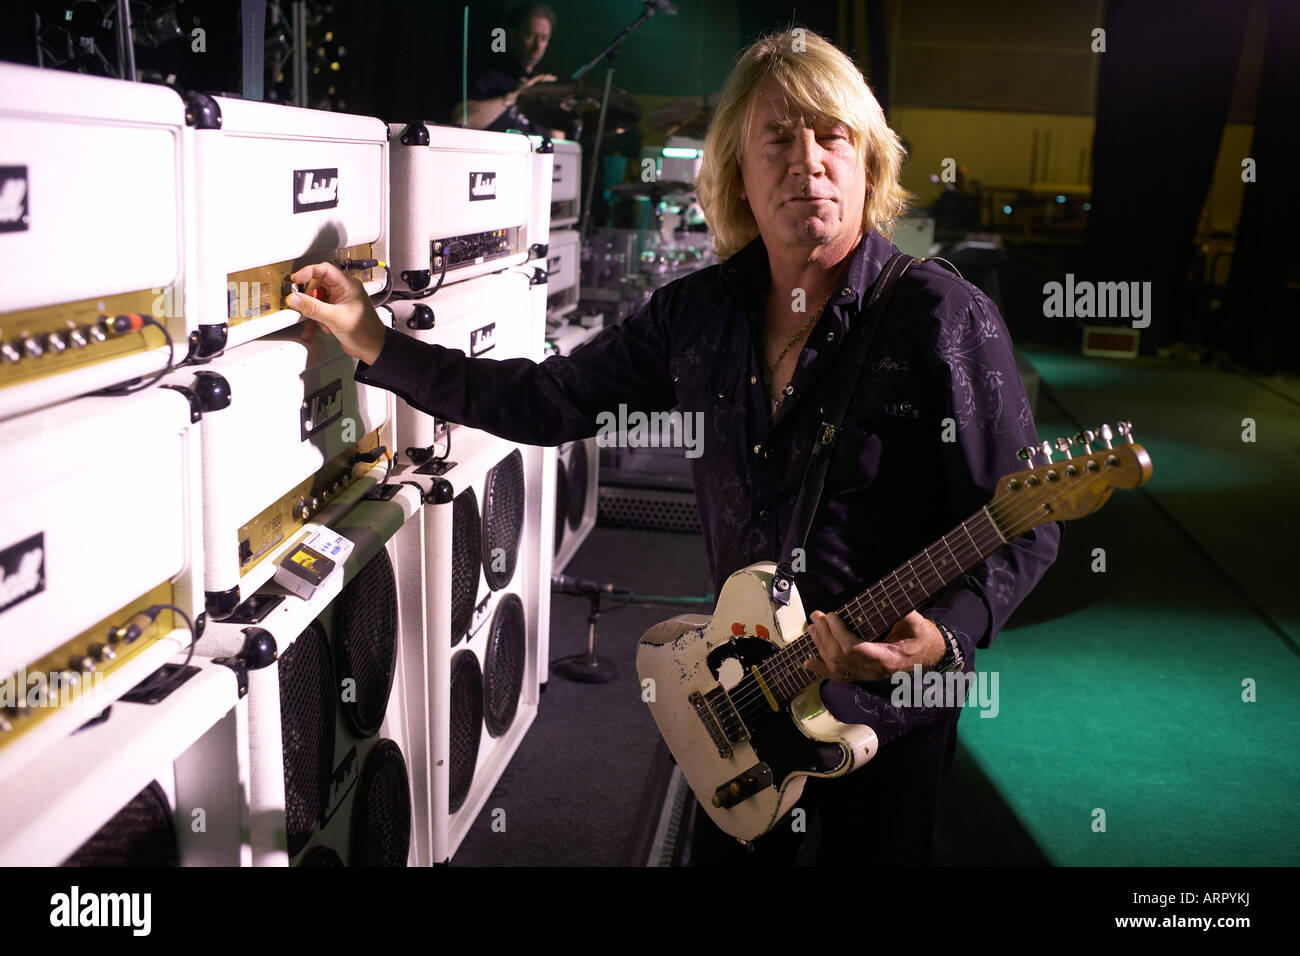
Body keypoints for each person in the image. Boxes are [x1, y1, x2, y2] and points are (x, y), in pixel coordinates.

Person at [286, 27, 1061, 866]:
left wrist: (945, 639)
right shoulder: (696, 315)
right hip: (736, 704)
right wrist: (375, 338)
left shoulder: (942, 318)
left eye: (831, 135)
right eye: (778, 138)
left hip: (885, 717)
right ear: (735, 174)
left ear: (868, 161)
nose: (808, 160)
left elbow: (1026, 520)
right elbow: (549, 401)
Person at [451, 3, 562, 138]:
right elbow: (461, 120)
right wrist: (517, 94)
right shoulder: (490, 76)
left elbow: (559, 144)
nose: (538, 45)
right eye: (530, 35)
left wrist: (554, 106)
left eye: (543, 38)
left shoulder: (542, 84)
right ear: (513, 34)